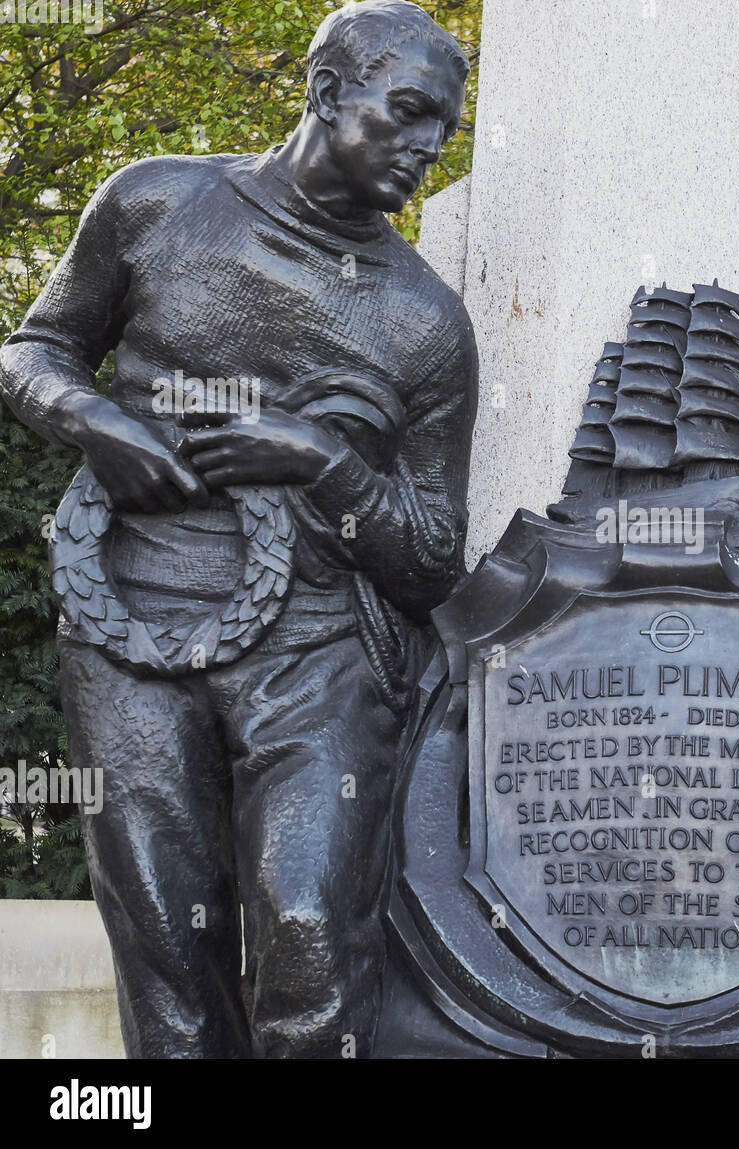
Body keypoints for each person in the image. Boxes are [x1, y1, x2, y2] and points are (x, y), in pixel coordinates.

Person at [0, 0, 477, 1058]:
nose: (423, 149)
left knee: (308, 924)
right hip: (129, 614)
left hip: (315, 648)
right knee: (165, 935)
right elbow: (35, 348)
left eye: (441, 130)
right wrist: (97, 424)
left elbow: (434, 557)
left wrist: (325, 461)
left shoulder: (424, 320)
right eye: (404, 113)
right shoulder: (155, 200)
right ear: (323, 93)